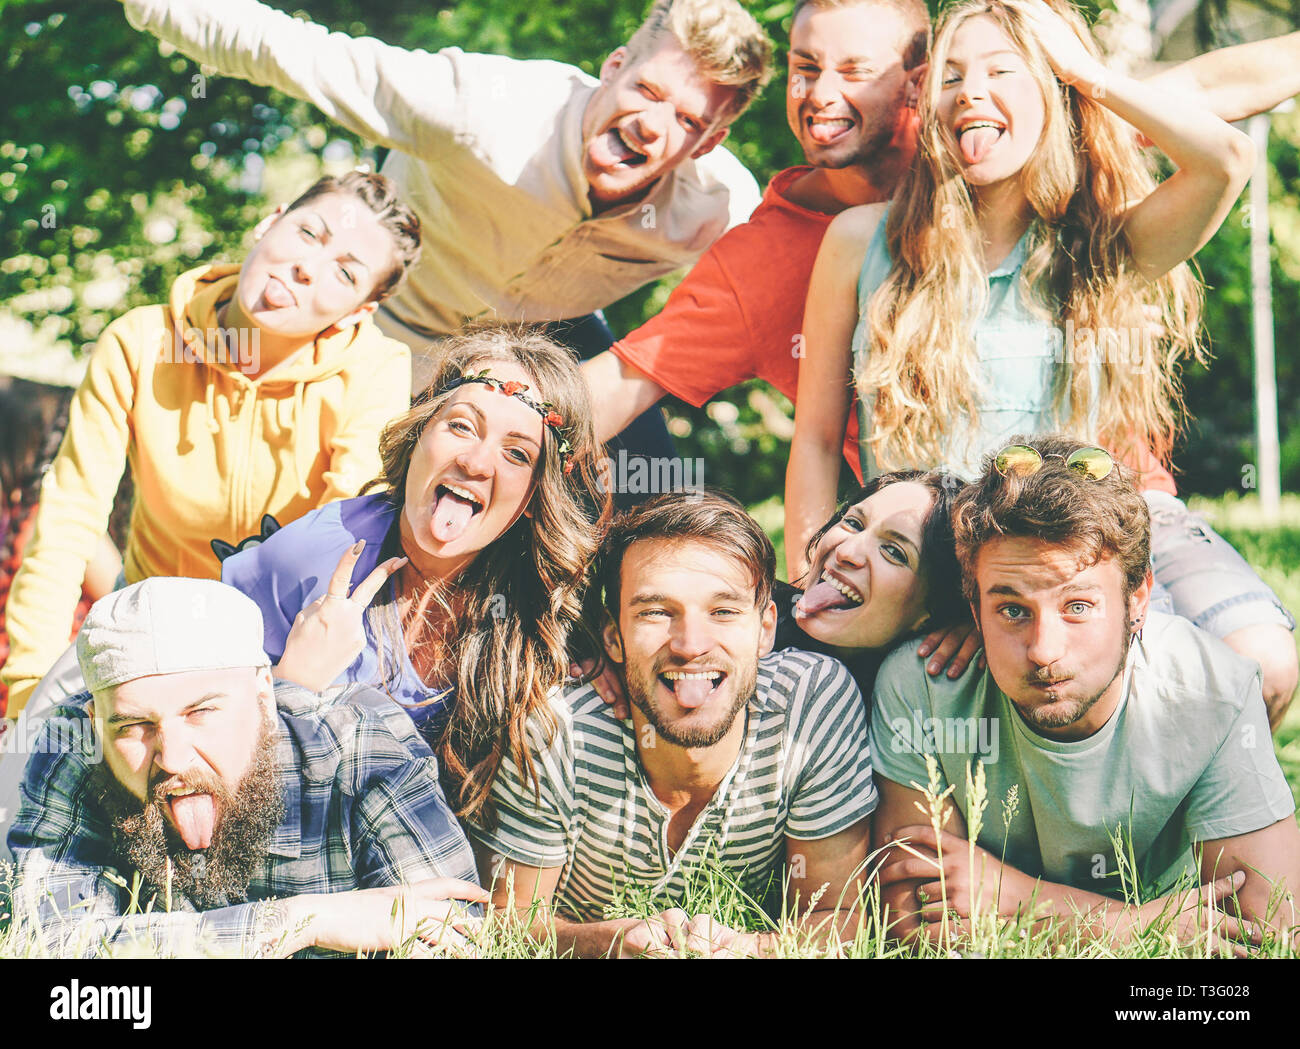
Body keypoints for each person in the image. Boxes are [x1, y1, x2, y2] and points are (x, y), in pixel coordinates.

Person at [784, 0, 1295, 722]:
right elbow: (812, 437)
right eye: (952, 77)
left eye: (1002, 71)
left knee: (1263, 664)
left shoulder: (1100, 248)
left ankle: (1187, 828)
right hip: (946, 553)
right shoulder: (863, 243)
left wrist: (1092, 76)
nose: (970, 93)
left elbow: (1225, 159)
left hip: (1100, 532)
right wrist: (808, 581)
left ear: (1058, 96)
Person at [115, 0, 774, 473]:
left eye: (686, 119)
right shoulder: (482, 109)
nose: (650, 125)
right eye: (647, 89)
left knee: (659, 487)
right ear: (613, 65)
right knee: (317, 502)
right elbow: (295, 53)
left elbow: (795, 275)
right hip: (386, 323)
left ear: (710, 141)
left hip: (542, 335)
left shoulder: (718, 207)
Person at [1, 171, 420, 719]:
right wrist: (28, 689)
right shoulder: (141, 342)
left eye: (345, 273)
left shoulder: (376, 369)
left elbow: (339, 547)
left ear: (361, 309)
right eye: (308, 234)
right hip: (144, 625)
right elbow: (68, 521)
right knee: (31, 755)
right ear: (270, 221)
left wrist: (282, 686)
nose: (307, 267)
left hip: (275, 645)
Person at [870, 435, 1300, 949]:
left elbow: (1271, 930)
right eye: (1011, 610)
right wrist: (1152, 929)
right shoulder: (921, 684)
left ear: (1137, 598)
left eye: (1077, 606)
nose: (1043, 652)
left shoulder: (1212, 690)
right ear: (972, 604)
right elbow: (916, 927)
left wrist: (1019, 898)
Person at [222, 327, 608, 823]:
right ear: (418, 437)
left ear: (535, 496)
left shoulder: (543, 600)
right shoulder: (309, 555)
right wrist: (292, 683)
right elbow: (206, 740)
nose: (474, 461)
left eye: (517, 454)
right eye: (462, 426)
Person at [471, 491, 875, 958]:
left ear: (765, 630)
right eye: (656, 612)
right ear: (613, 638)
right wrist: (607, 944)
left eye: (723, 611)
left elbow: (841, 921)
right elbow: (506, 925)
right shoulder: (554, 732)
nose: (690, 645)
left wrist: (749, 949)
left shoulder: (811, 704)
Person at [6, 577, 486, 959]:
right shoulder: (77, 747)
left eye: (201, 712)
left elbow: (453, 935)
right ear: (95, 723)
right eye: (133, 725)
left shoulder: (358, 748)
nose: (171, 757)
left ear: (263, 695)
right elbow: (47, 944)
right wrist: (299, 922)